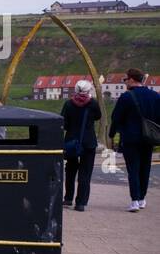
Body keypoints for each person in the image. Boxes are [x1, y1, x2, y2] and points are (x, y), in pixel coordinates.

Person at [107, 68, 160, 212]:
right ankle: (142, 199)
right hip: (149, 138)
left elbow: (116, 118)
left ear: (131, 79)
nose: (124, 83)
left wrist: (111, 135)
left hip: (130, 139)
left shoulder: (126, 97)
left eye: (125, 80)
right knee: (145, 168)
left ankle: (135, 200)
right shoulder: (155, 96)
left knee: (133, 169)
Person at [60, 80, 101, 212]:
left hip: (71, 142)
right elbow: (98, 117)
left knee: (70, 171)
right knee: (85, 173)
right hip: (88, 142)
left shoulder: (68, 104)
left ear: (76, 90)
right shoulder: (93, 104)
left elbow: (63, 124)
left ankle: (68, 198)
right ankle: (81, 203)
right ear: (88, 91)